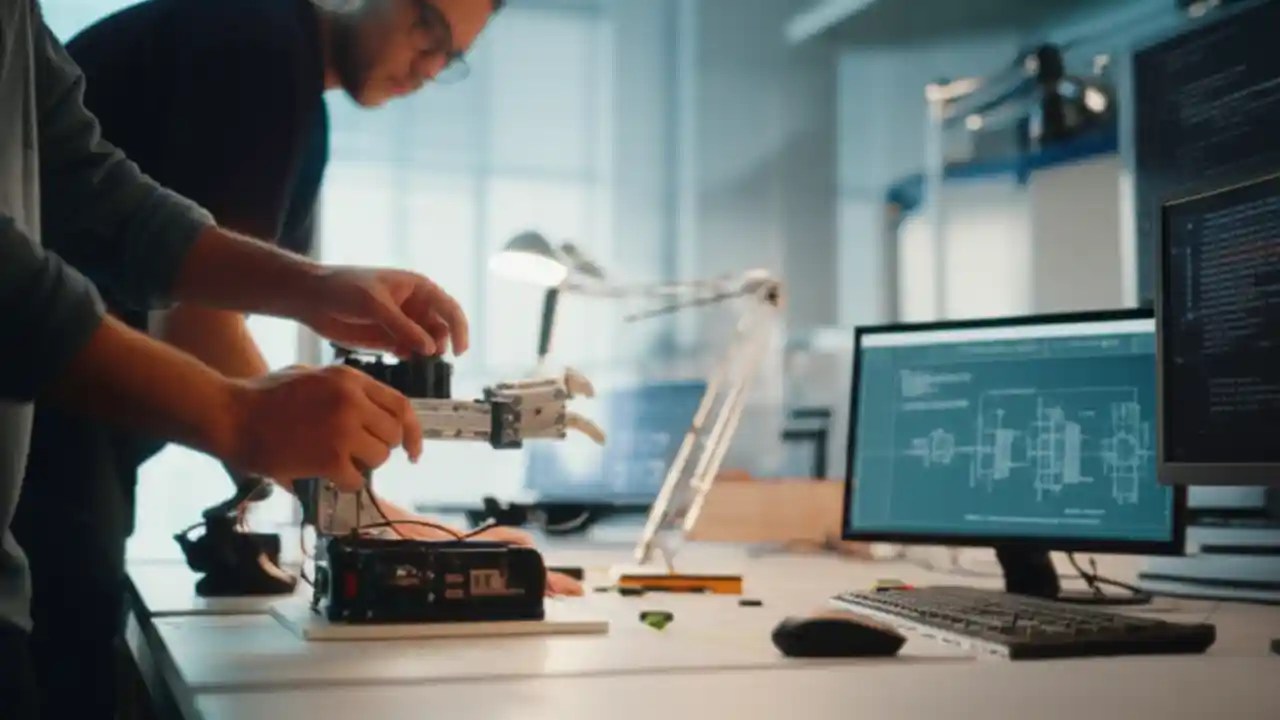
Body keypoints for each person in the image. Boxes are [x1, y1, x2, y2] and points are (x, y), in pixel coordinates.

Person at [0, 0, 477, 716]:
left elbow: (97, 196)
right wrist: (351, 506)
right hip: (58, 430)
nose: (430, 65)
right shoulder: (253, 37)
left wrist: (313, 286)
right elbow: (192, 326)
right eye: (427, 31)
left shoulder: (295, 99)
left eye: (452, 57)